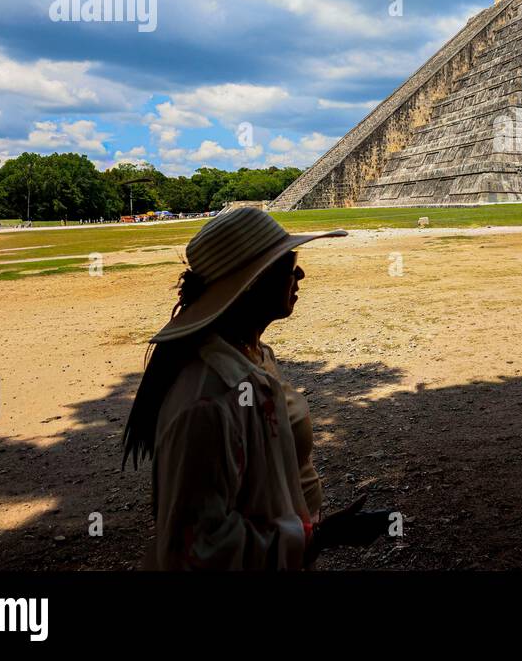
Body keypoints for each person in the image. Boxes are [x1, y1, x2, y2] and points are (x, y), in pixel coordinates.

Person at [121, 208, 377, 570]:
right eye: (288, 265)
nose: (299, 274)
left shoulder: (252, 357)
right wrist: (317, 538)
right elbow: (198, 546)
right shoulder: (209, 399)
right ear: (253, 282)